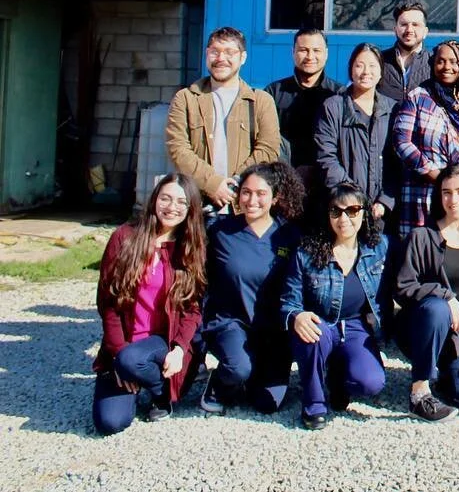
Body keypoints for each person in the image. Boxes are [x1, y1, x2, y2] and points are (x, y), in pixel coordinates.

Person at [92, 173, 207, 435]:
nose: (172, 207)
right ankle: (144, 378)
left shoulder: (191, 246)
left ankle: (160, 393)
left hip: (164, 343)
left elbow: (193, 309)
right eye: (166, 198)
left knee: (133, 360)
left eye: (181, 202)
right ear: (155, 199)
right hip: (125, 345)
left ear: (190, 208)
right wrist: (119, 357)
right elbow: (108, 304)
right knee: (110, 423)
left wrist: (179, 349)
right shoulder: (124, 237)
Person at [199, 162, 305, 416]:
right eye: (246, 192)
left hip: (273, 330)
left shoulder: (289, 235)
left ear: (275, 197)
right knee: (238, 368)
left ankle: (252, 375)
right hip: (231, 323)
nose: (252, 200)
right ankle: (219, 384)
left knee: (267, 403)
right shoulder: (220, 232)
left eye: (260, 193)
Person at [280, 182, 389, 430]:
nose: (344, 219)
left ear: (364, 212)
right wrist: (296, 315)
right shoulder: (306, 253)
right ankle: (314, 403)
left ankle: (338, 377)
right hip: (321, 324)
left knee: (370, 383)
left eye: (352, 210)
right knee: (313, 334)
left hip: (356, 326)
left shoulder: (379, 248)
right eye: (336, 211)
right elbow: (289, 300)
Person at [393, 163, 459, 421]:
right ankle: (419, 393)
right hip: (423, 327)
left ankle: (445, 375)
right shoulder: (422, 236)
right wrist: (445, 296)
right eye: (446, 192)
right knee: (437, 308)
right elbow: (403, 287)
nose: (453, 200)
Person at [165, 26, 282, 208]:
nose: (221, 58)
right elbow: (177, 148)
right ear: (206, 54)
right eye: (215, 52)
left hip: (244, 205)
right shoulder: (186, 99)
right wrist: (213, 183)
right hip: (197, 204)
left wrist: (235, 184)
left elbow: (268, 149)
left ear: (243, 57)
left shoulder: (261, 101)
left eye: (229, 52)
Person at [391, 40, 459, 239]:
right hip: (425, 194)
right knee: (424, 248)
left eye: (454, 62)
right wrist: (439, 178)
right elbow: (401, 141)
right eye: (441, 61)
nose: (447, 67)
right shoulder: (418, 97)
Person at [315, 43, 397, 227]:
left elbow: (397, 163)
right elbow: (326, 157)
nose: (366, 71)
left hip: (380, 214)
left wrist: (385, 201)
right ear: (351, 70)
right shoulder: (334, 106)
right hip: (343, 209)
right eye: (359, 65)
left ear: (381, 71)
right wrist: (352, 197)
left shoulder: (392, 109)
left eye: (372, 66)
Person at [264, 28, 343, 171]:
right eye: (303, 50)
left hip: (326, 175)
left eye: (316, 50)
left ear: (326, 54)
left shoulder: (339, 94)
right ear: (293, 52)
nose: (310, 56)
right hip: (282, 174)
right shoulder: (273, 92)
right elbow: (266, 139)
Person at [377, 0, 433, 104]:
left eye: (415, 25)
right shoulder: (378, 61)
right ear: (395, 30)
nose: (409, 30)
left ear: (425, 32)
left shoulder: (435, 63)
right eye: (404, 24)